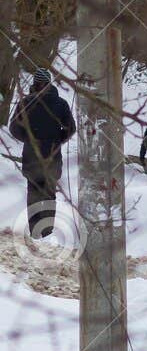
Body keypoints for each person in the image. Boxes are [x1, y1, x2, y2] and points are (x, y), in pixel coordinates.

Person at [8, 69, 76, 238]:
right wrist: (58, 140)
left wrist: (29, 139)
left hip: (32, 156)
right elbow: (71, 128)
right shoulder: (61, 104)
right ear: (50, 83)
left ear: (34, 83)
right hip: (52, 157)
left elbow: (14, 128)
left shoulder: (25, 103)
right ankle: (47, 232)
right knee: (49, 194)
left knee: (33, 192)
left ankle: (34, 232)